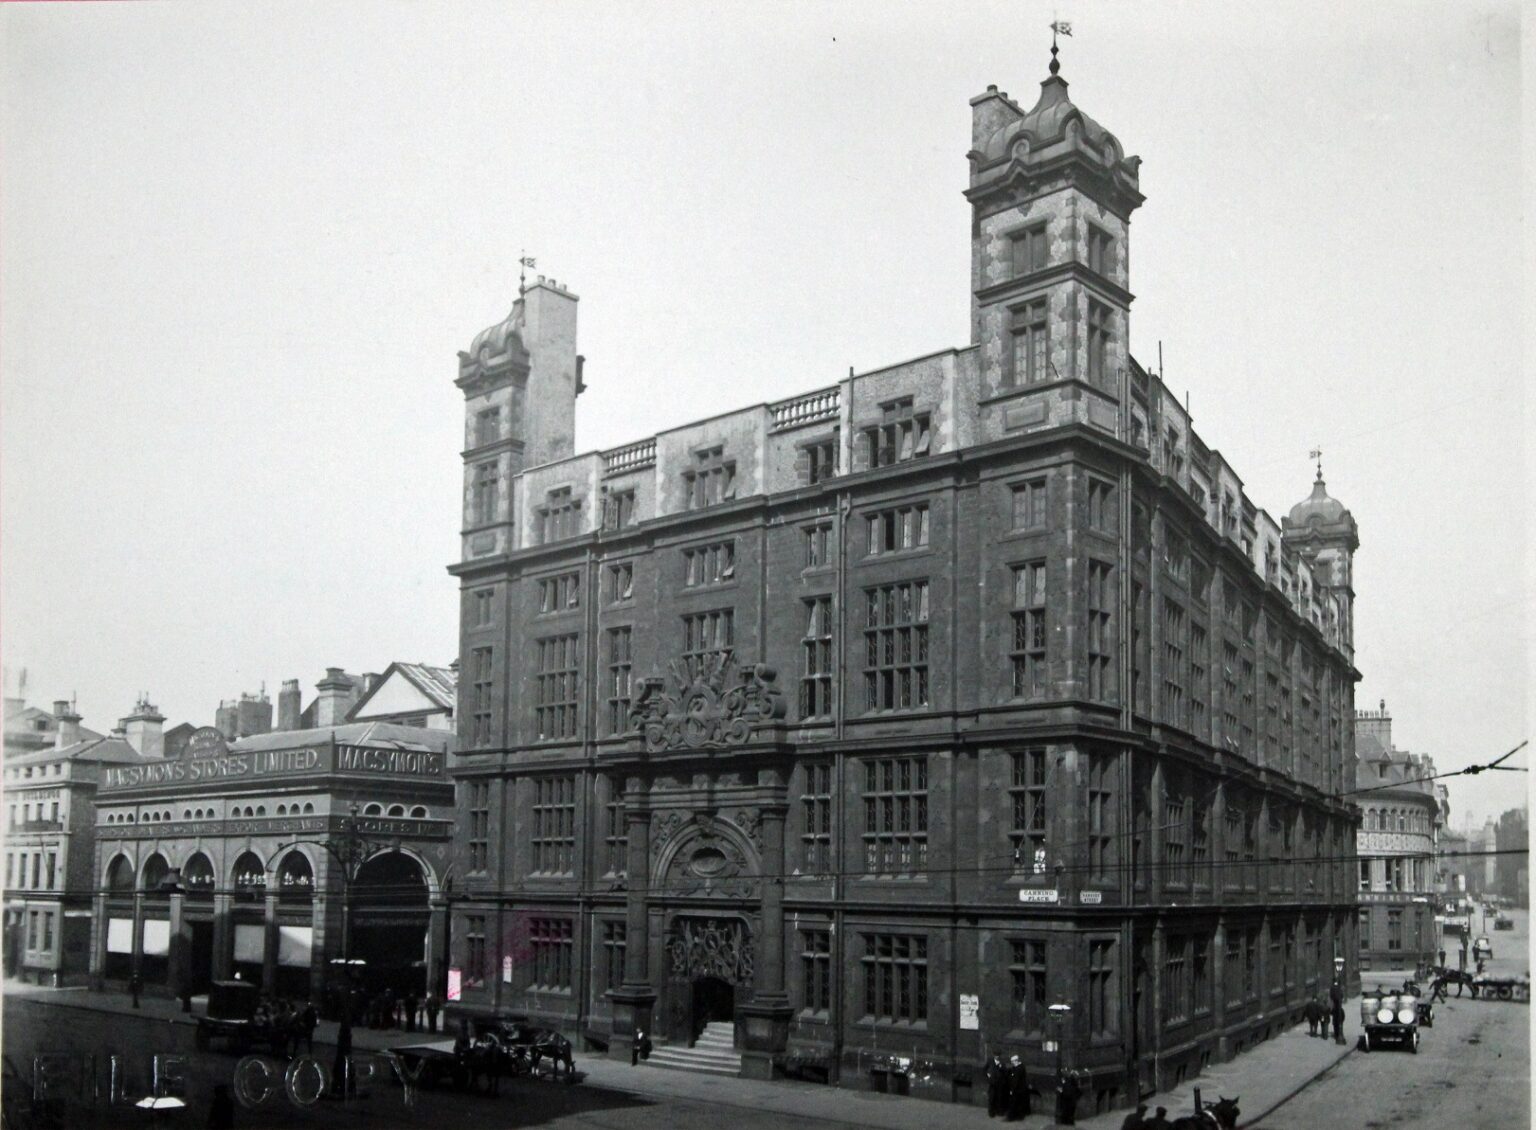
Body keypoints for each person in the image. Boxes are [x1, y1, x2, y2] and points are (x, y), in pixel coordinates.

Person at [1005, 1055, 1029, 1121]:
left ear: (1016, 1061)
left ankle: (1010, 1117)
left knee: (1013, 1103)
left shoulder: (1018, 1069)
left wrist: (1012, 1090)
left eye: (1012, 1061)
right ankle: (1019, 1117)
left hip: (1017, 1089)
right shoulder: (1021, 1067)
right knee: (1019, 1103)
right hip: (1020, 1089)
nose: (1012, 1063)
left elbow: (1016, 1080)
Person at [1329, 979, 1346, 1045]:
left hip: (1335, 1018)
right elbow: (1341, 995)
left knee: (1335, 1027)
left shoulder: (1332, 988)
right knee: (1339, 1025)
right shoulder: (1339, 987)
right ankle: (1339, 1034)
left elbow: (1331, 996)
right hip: (1339, 1017)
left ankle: (1337, 1035)